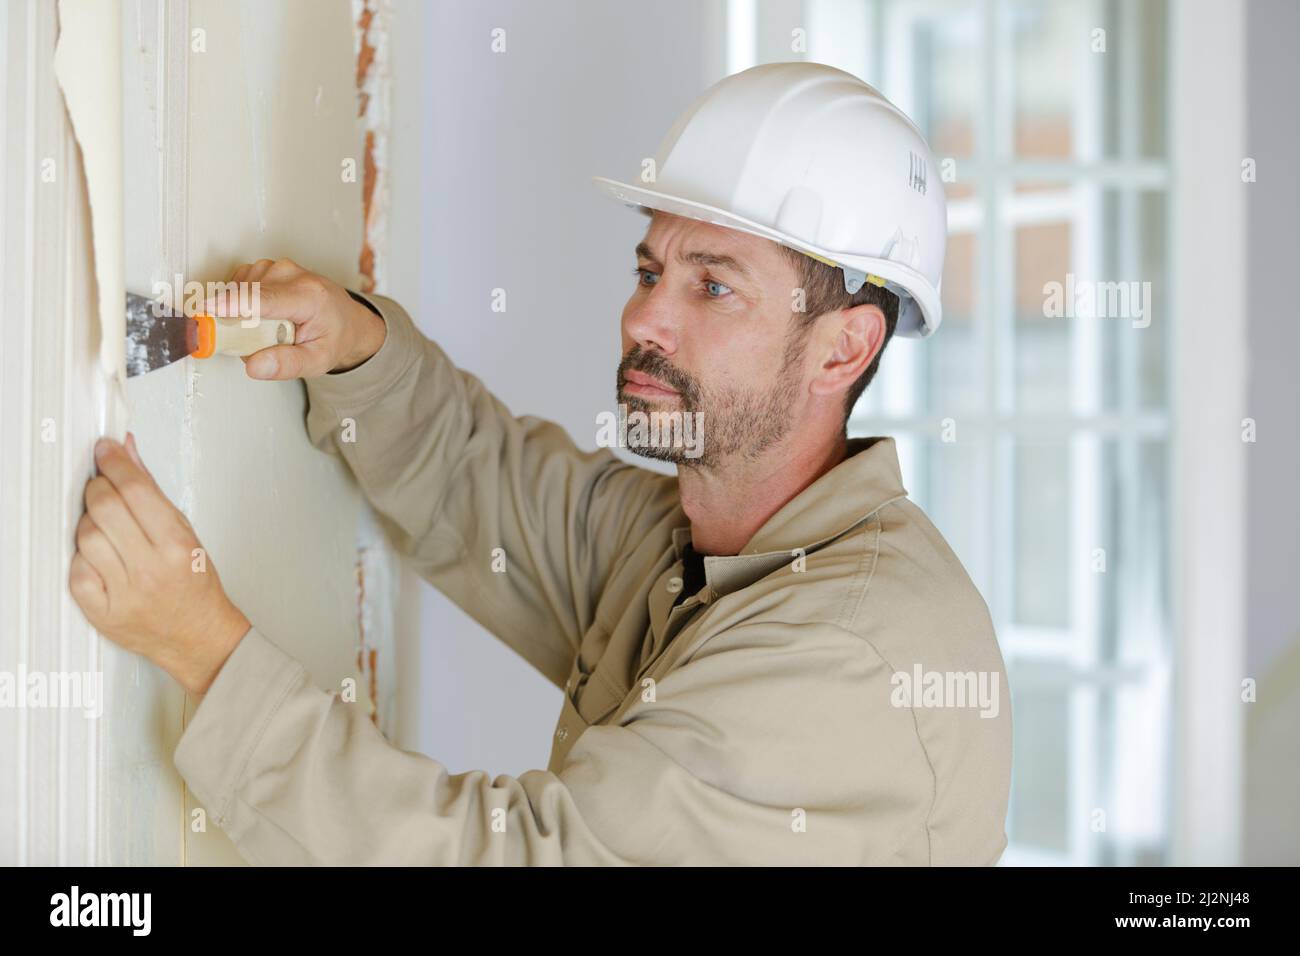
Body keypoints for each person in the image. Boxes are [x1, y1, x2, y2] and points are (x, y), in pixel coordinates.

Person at [69, 62, 1012, 865]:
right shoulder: (703, 541)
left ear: (842, 349)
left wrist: (202, 648)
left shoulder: (845, 655)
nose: (644, 319)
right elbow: (480, 487)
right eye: (650, 272)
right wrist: (360, 351)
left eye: (712, 285)